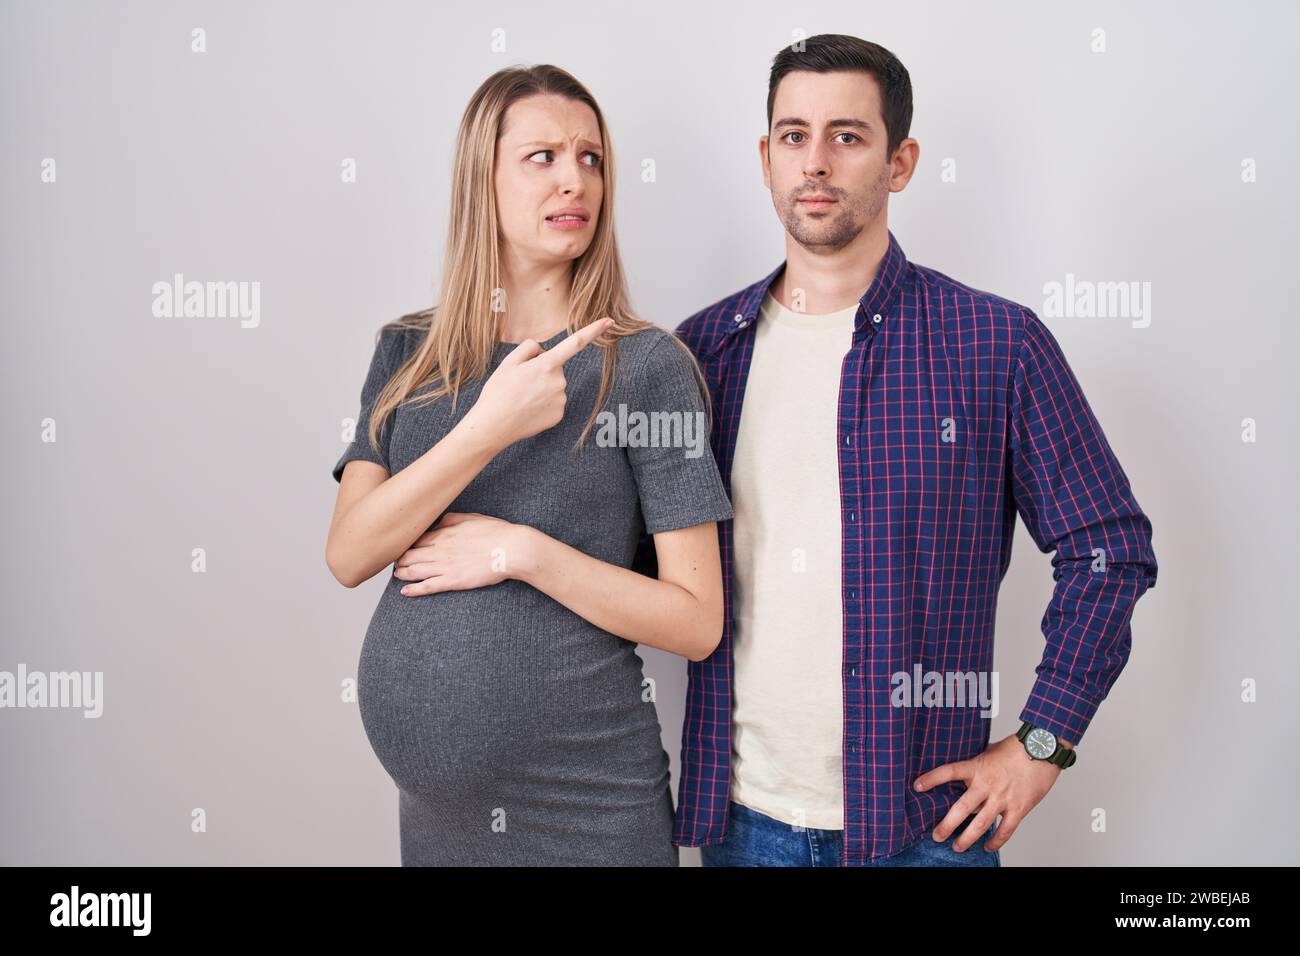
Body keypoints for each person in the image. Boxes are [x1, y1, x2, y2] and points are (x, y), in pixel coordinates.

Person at [667, 34, 1159, 866]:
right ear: (765, 158)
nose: (815, 163)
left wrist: (1043, 746)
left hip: (926, 827)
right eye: (794, 136)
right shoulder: (702, 353)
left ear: (900, 162)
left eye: (847, 137)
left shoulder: (995, 344)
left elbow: (1108, 549)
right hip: (740, 822)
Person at [325, 64, 733, 866]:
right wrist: (488, 428)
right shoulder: (407, 353)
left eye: (591, 158)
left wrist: (524, 552)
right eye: (542, 156)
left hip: (588, 804)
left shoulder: (648, 366)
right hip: (439, 823)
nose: (574, 179)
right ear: (484, 176)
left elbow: (696, 621)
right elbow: (350, 553)